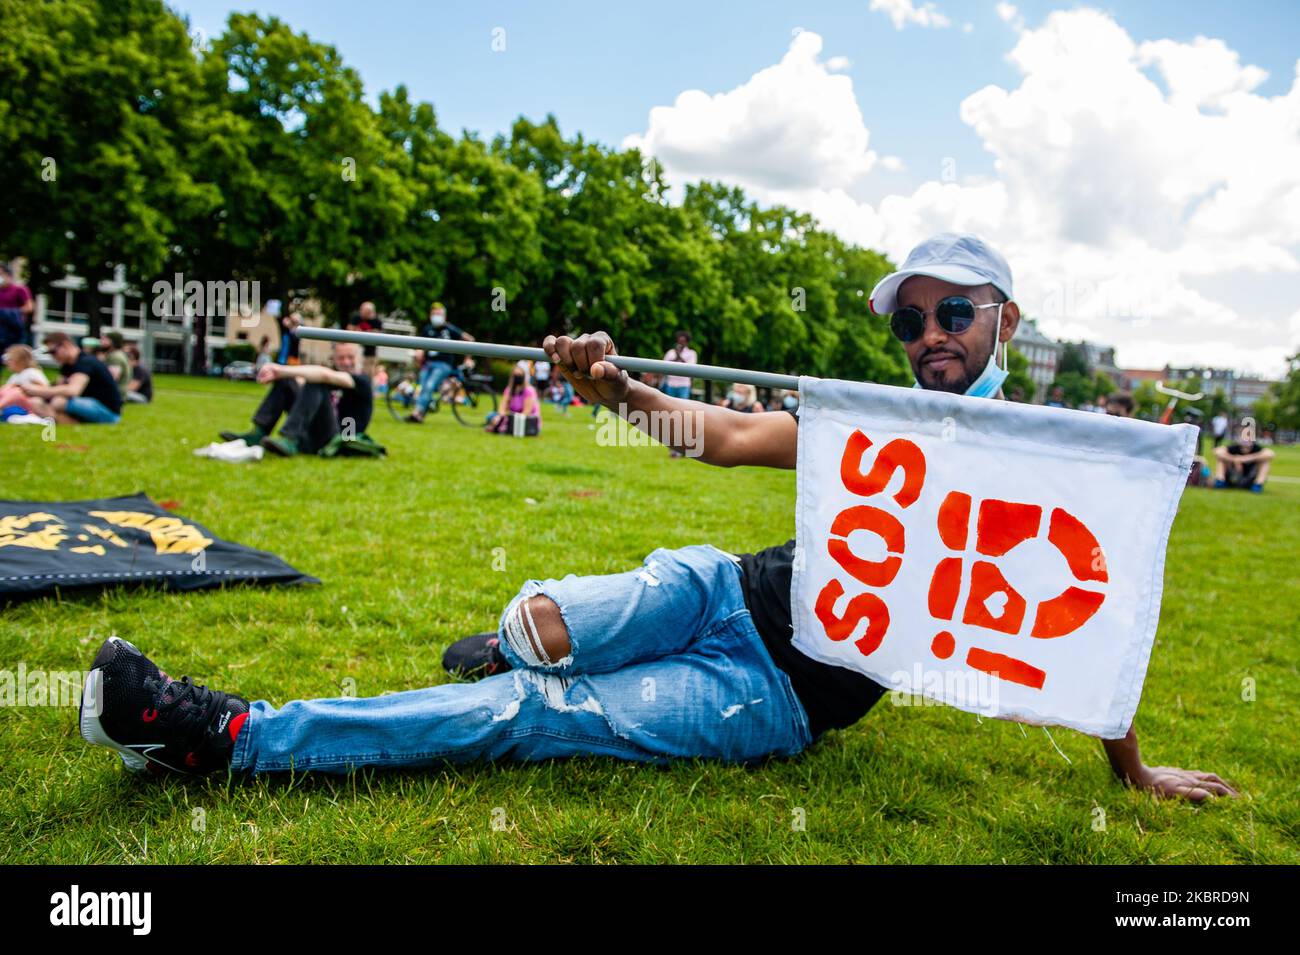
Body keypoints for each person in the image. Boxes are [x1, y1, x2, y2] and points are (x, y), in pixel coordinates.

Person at [76, 233, 1236, 804]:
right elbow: (725, 438)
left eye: (951, 312)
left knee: (517, 716)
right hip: (720, 587)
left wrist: (1129, 770)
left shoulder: (1054, 460)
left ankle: (222, 737)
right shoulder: (875, 418)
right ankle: (522, 639)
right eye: (910, 319)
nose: (929, 333)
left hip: (775, 693)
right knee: (535, 628)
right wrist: (616, 390)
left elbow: (1092, 625)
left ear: (1004, 318)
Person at [217, 339, 373, 456]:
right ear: (334, 358)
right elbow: (302, 381)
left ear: (359, 358)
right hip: (314, 433)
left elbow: (325, 375)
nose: (346, 362)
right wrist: (282, 376)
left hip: (339, 441)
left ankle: (290, 439)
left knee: (315, 382)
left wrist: (281, 369)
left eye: (350, 357)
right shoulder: (333, 379)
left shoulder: (361, 381)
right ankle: (258, 433)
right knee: (287, 381)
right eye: (341, 358)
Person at [21, 332, 122, 424]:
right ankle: (63, 420)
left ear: (65, 345)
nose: (53, 357)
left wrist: (38, 390)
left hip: (108, 412)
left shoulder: (85, 362)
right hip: (86, 404)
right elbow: (59, 386)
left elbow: (73, 390)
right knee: (36, 402)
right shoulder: (67, 365)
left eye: (53, 352)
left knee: (58, 401)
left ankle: (61, 420)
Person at [406, 302, 474, 423]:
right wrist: (419, 352)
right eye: (433, 314)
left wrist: (468, 358)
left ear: (444, 316)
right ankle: (420, 413)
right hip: (428, 364)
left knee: (429, 386)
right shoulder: (428, 329)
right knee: (423, 388)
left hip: (443, 365)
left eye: (438, 314)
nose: (436, 316)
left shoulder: (450, 329)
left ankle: (417, 413)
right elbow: (420, 346)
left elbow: (469, 339)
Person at [485, 360, 541, 435]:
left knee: (500, 420)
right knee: (491, 415)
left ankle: (500, 427)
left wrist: (507, 418)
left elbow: (526, 412)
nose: (517, 377)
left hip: (527, 419)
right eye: (515, 375)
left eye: (519, 375)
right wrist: (500, 416)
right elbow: (502, 407)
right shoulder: (509, 390)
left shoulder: (529, 391)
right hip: (511, 416)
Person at [1213, 424, 1273, 493]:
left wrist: (1246, 458)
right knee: (1221, 459)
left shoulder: (1256, 448)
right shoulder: (1234, 447)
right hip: (1233, 476)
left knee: (1265, 462)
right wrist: (1234, 459)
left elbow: (1270, 454)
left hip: (1249, 479)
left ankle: (1258, 485)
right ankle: (1220, 482)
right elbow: (1217, 451)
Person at [0, 344, 47, 415]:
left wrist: (22, 387)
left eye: (10, 359)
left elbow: (44, 387)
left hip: (29, 401)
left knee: (16, 392)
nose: (7, 362)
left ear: (21, 361)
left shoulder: (31, 372)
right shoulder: (14, 376)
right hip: (15, 404)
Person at [0, 261, 34, 348]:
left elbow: (29, 307)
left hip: (14, 331)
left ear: (8, 275)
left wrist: (10, 313)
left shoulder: (19, 289)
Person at [661, 331, 696, 400]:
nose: (680, 343)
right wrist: (676, 357)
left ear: (686, 342)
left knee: (683, 407)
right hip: (670, 384)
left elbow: (690, 367)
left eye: (683, 341)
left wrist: (678, 355)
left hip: (684, 384)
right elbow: (664, 365)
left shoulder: (691, 353)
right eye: (679, 341)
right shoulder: (670, 352)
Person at [99, 330, 132, 397]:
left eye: (105, 340)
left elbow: (112, 378)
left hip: (115, 394)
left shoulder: (115, 357)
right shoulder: (114, 354)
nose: (101, 342)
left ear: (113, 342)